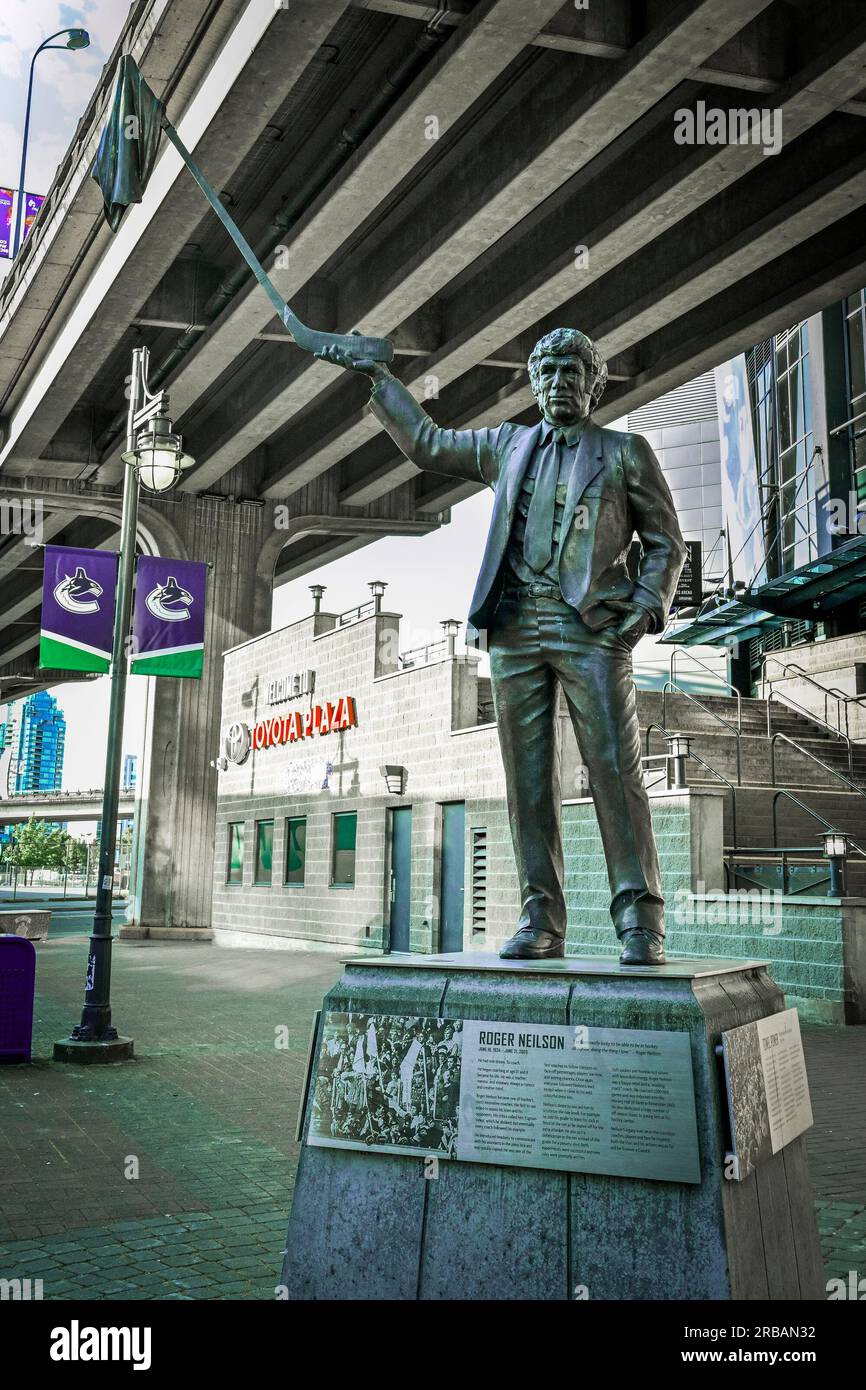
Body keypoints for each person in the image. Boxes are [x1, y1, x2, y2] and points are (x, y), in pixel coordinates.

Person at [318, 328, 686, 965]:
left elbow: (665, 543)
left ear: (594, 384)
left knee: (614, 772)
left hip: (591, 628)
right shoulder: (506, 446)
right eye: (547, 371)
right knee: (527, 781)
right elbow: (429, 443)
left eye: (573, 370)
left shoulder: (625, 452)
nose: (559, 381)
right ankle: (540, 915)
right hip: (513, 629)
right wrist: (379, 378)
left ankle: (639, 921)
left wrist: (641, 612)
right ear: (533, 382)